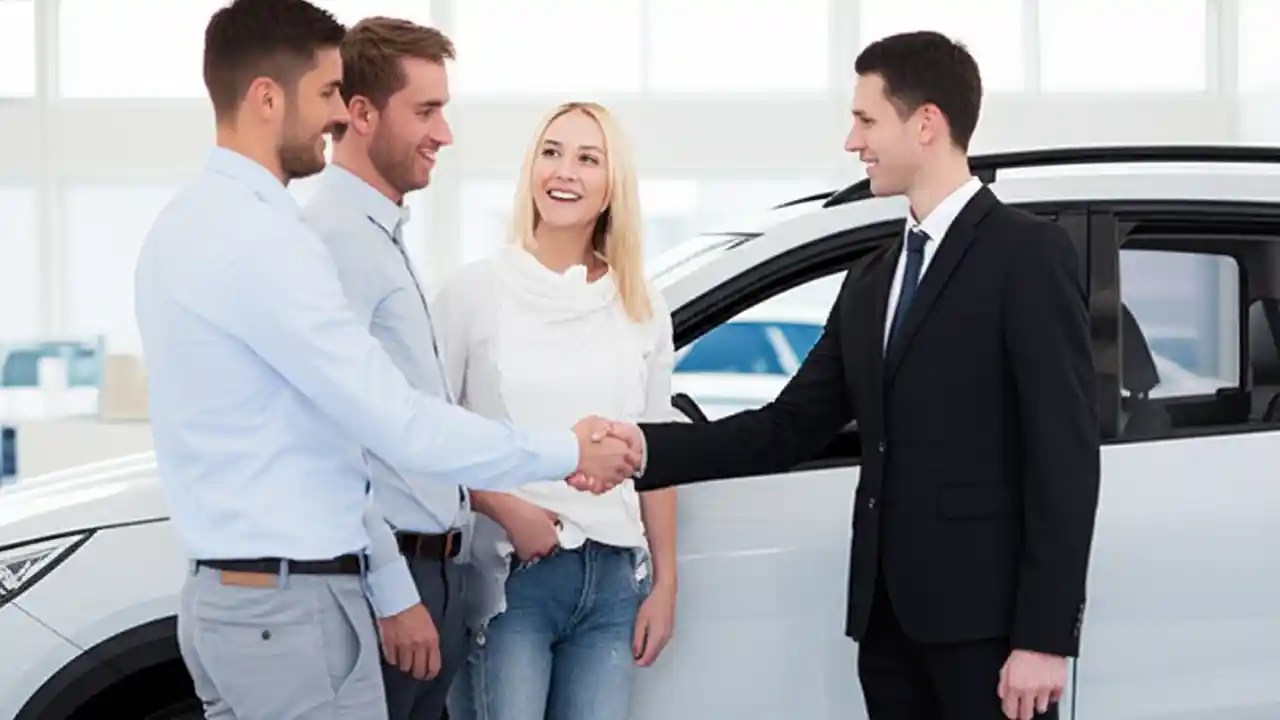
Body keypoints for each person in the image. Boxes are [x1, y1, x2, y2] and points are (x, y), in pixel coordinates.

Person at [133, 2, 639, 718]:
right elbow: (391, 424)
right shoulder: (272, 242)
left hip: (251, 602)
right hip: (294, 606)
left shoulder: (185, 225)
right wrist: (566, 449)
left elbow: (322, 431)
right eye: (327, 94)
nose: (337, 115)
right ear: (267, 98)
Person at [601, 31, 1101, 720]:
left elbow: (1064, 458)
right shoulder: (872, 278)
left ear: (926, 122)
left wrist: (1043, 639)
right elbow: (788, 427)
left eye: (866, 120)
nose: (851, 141)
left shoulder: (1025, 254)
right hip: (888, 629)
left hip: (988, 634)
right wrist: (644, 449)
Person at [300, 16, 563, 720]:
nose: (443, 133)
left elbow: (412, 418)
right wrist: (393, 589)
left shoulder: (376, 234)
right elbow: (325, 436)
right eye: (426, 111)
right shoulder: (332, 240)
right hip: (392, 577)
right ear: (359, 114)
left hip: (434, 572)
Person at [435, 101, 680, 720]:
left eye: (587, 158)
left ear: (611, 184)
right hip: (510, 578)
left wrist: (667, 582)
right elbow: (426, 436)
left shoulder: (641, 304)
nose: (564, 171)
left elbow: (659, 453)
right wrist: (504, 506)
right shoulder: (474, 292)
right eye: (551, 152)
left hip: (614, 583)